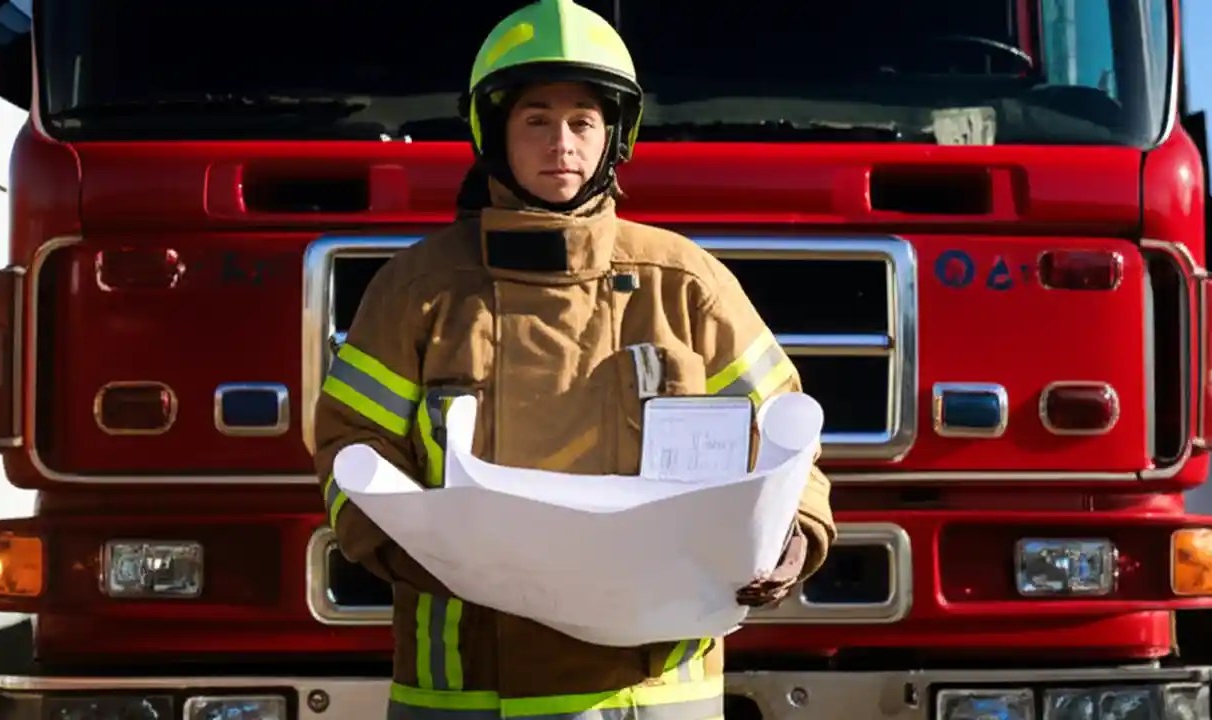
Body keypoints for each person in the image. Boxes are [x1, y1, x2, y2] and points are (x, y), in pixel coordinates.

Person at [313, 0, 836, 717]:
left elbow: (789, 444)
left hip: (653, 695)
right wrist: (415, 553)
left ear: (614, 137)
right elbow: (349, 445)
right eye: (537, 120)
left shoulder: (685, 284)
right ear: (494, 132)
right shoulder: (418, 291)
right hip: (466, 690)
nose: (562, 143)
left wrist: (797, 536)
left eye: (583, 122)